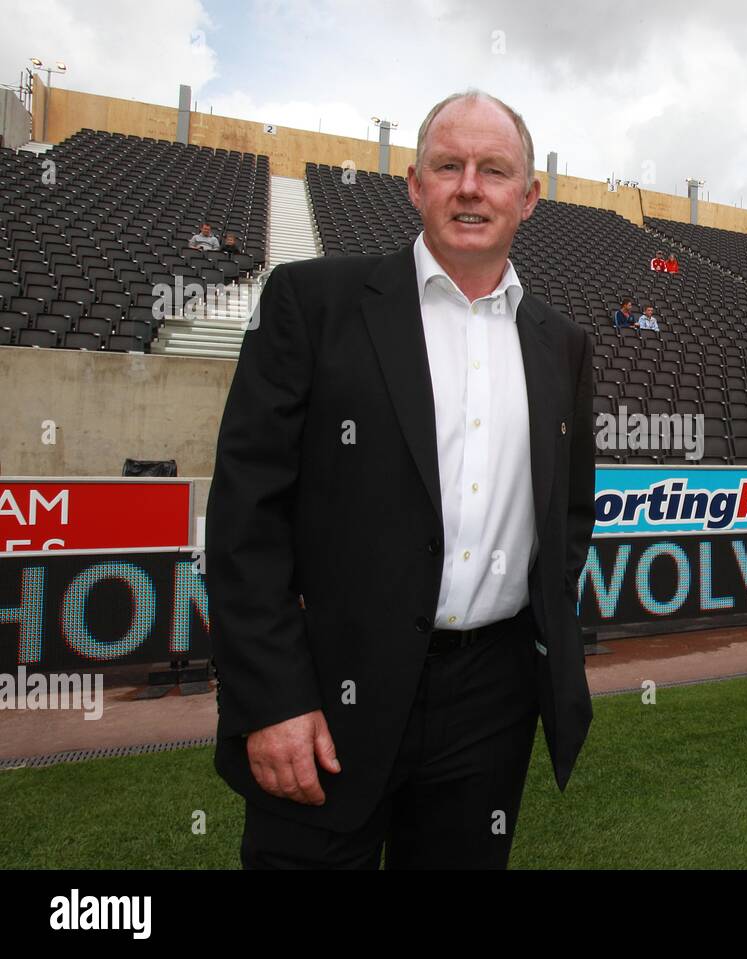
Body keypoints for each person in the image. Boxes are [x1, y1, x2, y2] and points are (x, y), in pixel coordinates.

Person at [206, 90, 595, 870]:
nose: (469, 186)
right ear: (415, 184)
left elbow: (569, 515)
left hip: (493, 700)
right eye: (448, 166)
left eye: (493, 169)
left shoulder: (562, 342)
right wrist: (274, 698)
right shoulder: (313, 303)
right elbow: (247, 516)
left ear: (529, 195)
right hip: (327, 691)